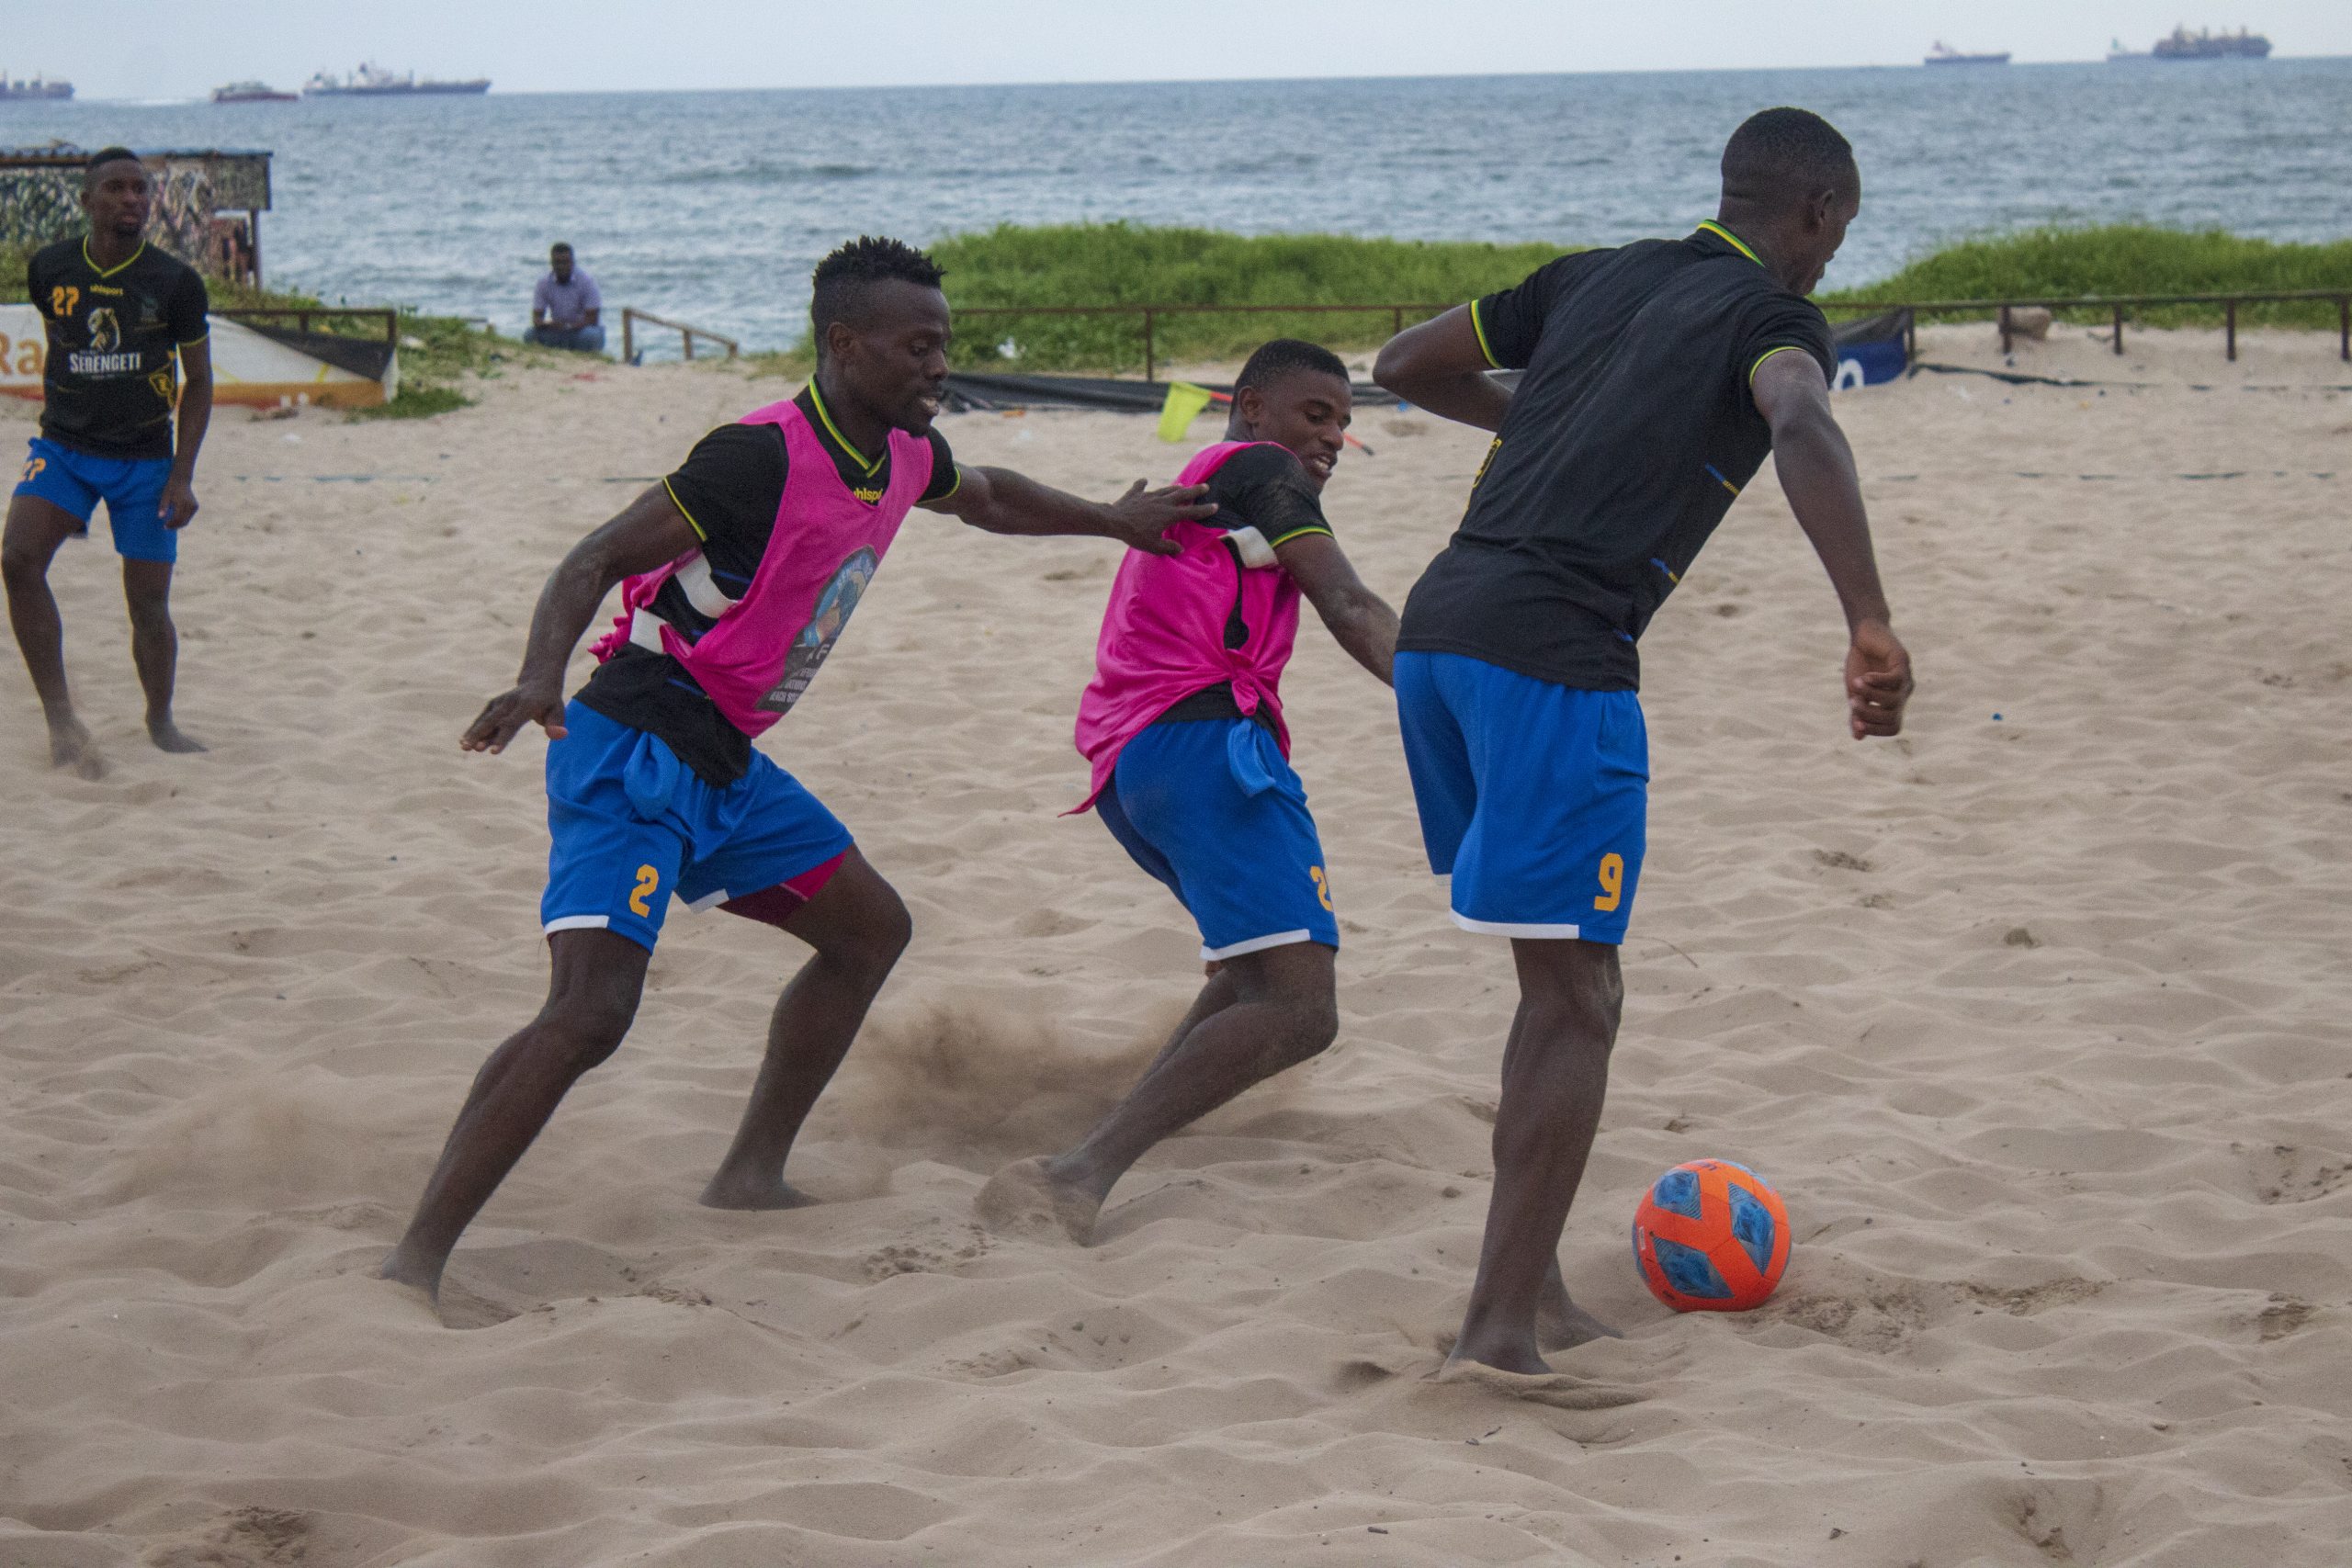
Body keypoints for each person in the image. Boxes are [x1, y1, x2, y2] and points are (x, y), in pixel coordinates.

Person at [382, 236, 1216, 1307]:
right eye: (917, 348)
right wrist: (542, 675)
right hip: (632, 744)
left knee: (868, 931)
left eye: (945, 346)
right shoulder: (756, 458)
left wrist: (1112, 520)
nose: (937, 366)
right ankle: (416, 1259)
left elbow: (992, 494)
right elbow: (594, 557)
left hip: (727, 761)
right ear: (844, 344)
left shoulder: (906, 453)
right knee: (591, 1013)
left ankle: (747, 1174)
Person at [1373, 107, 1914, 1376]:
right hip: (1553, 660)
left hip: (1440, 636)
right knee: (1579, 999)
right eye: (1838, 234)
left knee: (1547, 982)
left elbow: (1402, 362)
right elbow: (1803, 424)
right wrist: (1870, 618)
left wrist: (1557, 420)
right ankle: (1500, 1328)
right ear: (1819, 213)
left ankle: (1535, 1279)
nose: (1832, 259)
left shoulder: (1592, 276)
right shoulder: (1774, 321)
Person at [977, 341, 1400, 1244]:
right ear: (1249, 408)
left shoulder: (1221, 481)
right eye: (1313, 414)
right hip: (1206, 749)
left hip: (1141, 765)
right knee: (1300, 1007)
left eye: (1342, 424)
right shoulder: (1259, 470)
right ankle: (1079, 1170)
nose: (1329, 439)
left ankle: (1094, 1148)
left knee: (1254, 975)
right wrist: (1458, 701)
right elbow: (1350, 605)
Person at [5, 146, 212, 776]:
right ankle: (62, 720)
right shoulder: (51, 268)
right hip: (64, 448)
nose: (132, 200)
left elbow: (198, 381)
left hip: (146, 461)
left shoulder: (175, 281)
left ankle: (159, 719)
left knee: (147, 605)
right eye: (117, 189)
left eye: (140, 190)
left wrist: (182, 474)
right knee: (15, 558)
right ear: (87, 198)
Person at [528, 243, 603, 353]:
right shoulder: (543, 283)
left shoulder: (587, 281)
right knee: (530, 335)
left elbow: (592, 319)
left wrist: (568, 326)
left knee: (590, 336)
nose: (561, 267)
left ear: (572, 262)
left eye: (565, 262)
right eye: (558, 263)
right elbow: (537, 317)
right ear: (552, 263)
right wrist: (546, 324)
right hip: (556, 331)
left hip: (581, 331)